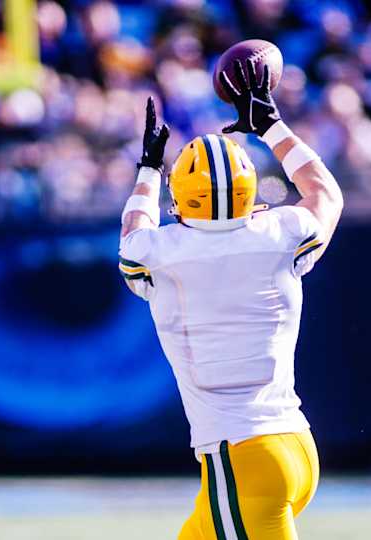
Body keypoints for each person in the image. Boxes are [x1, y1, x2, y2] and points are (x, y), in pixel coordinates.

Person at [118, 60, 344, 540]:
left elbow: (132, 234)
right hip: (294, 447)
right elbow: (325, 193)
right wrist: (271, 125)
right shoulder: (280, 232)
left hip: (241, 457)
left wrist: (148, 170)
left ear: (180, 196)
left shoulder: (162, 254)